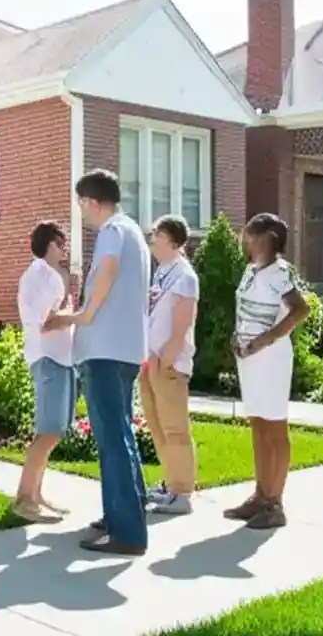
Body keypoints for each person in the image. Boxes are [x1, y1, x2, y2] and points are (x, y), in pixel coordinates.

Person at [46, 169, 150, 555]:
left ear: (91, 201)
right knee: (121, 437)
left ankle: (128, 532)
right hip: (124, 350)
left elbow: (105, 273)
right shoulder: (134, 232)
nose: (82, 213)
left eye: (81, 205)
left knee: (112, 440)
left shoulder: (111, 233)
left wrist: (80, 316)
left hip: (105, 349)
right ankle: (123, 516)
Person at [224, 213, 310, 529]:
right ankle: (260, 495)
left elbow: (301, 309)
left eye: (249, 235)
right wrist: (239, 336)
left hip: (271, 358)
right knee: (258, 424)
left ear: (264, 238)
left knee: (274, 427)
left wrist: (266, 339)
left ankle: (275, 504)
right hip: (249, 358)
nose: (244, 240)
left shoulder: (280, 272)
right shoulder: (250, 271)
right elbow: (244, 308)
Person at [12, 222, 77, 523]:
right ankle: (25, 499)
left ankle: (36, 495)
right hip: (49, 357)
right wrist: (75, 313)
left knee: (52, 431)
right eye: (62, 243)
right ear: (51, 244)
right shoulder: (43, 276)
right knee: (49, 432)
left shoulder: (44, 276)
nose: (65, 249)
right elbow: (45, 321)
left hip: (59, 358)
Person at [141, 215, 200, 515]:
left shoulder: (185, 276)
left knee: (175, 427)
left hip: (169, 362)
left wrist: (168, 354)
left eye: (158, 236)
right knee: (158, 425)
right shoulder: (162, 272)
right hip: (151, 358)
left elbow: (183, 321)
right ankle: (170, 484)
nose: (153, 240)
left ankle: (183, 492)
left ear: (175, 242)